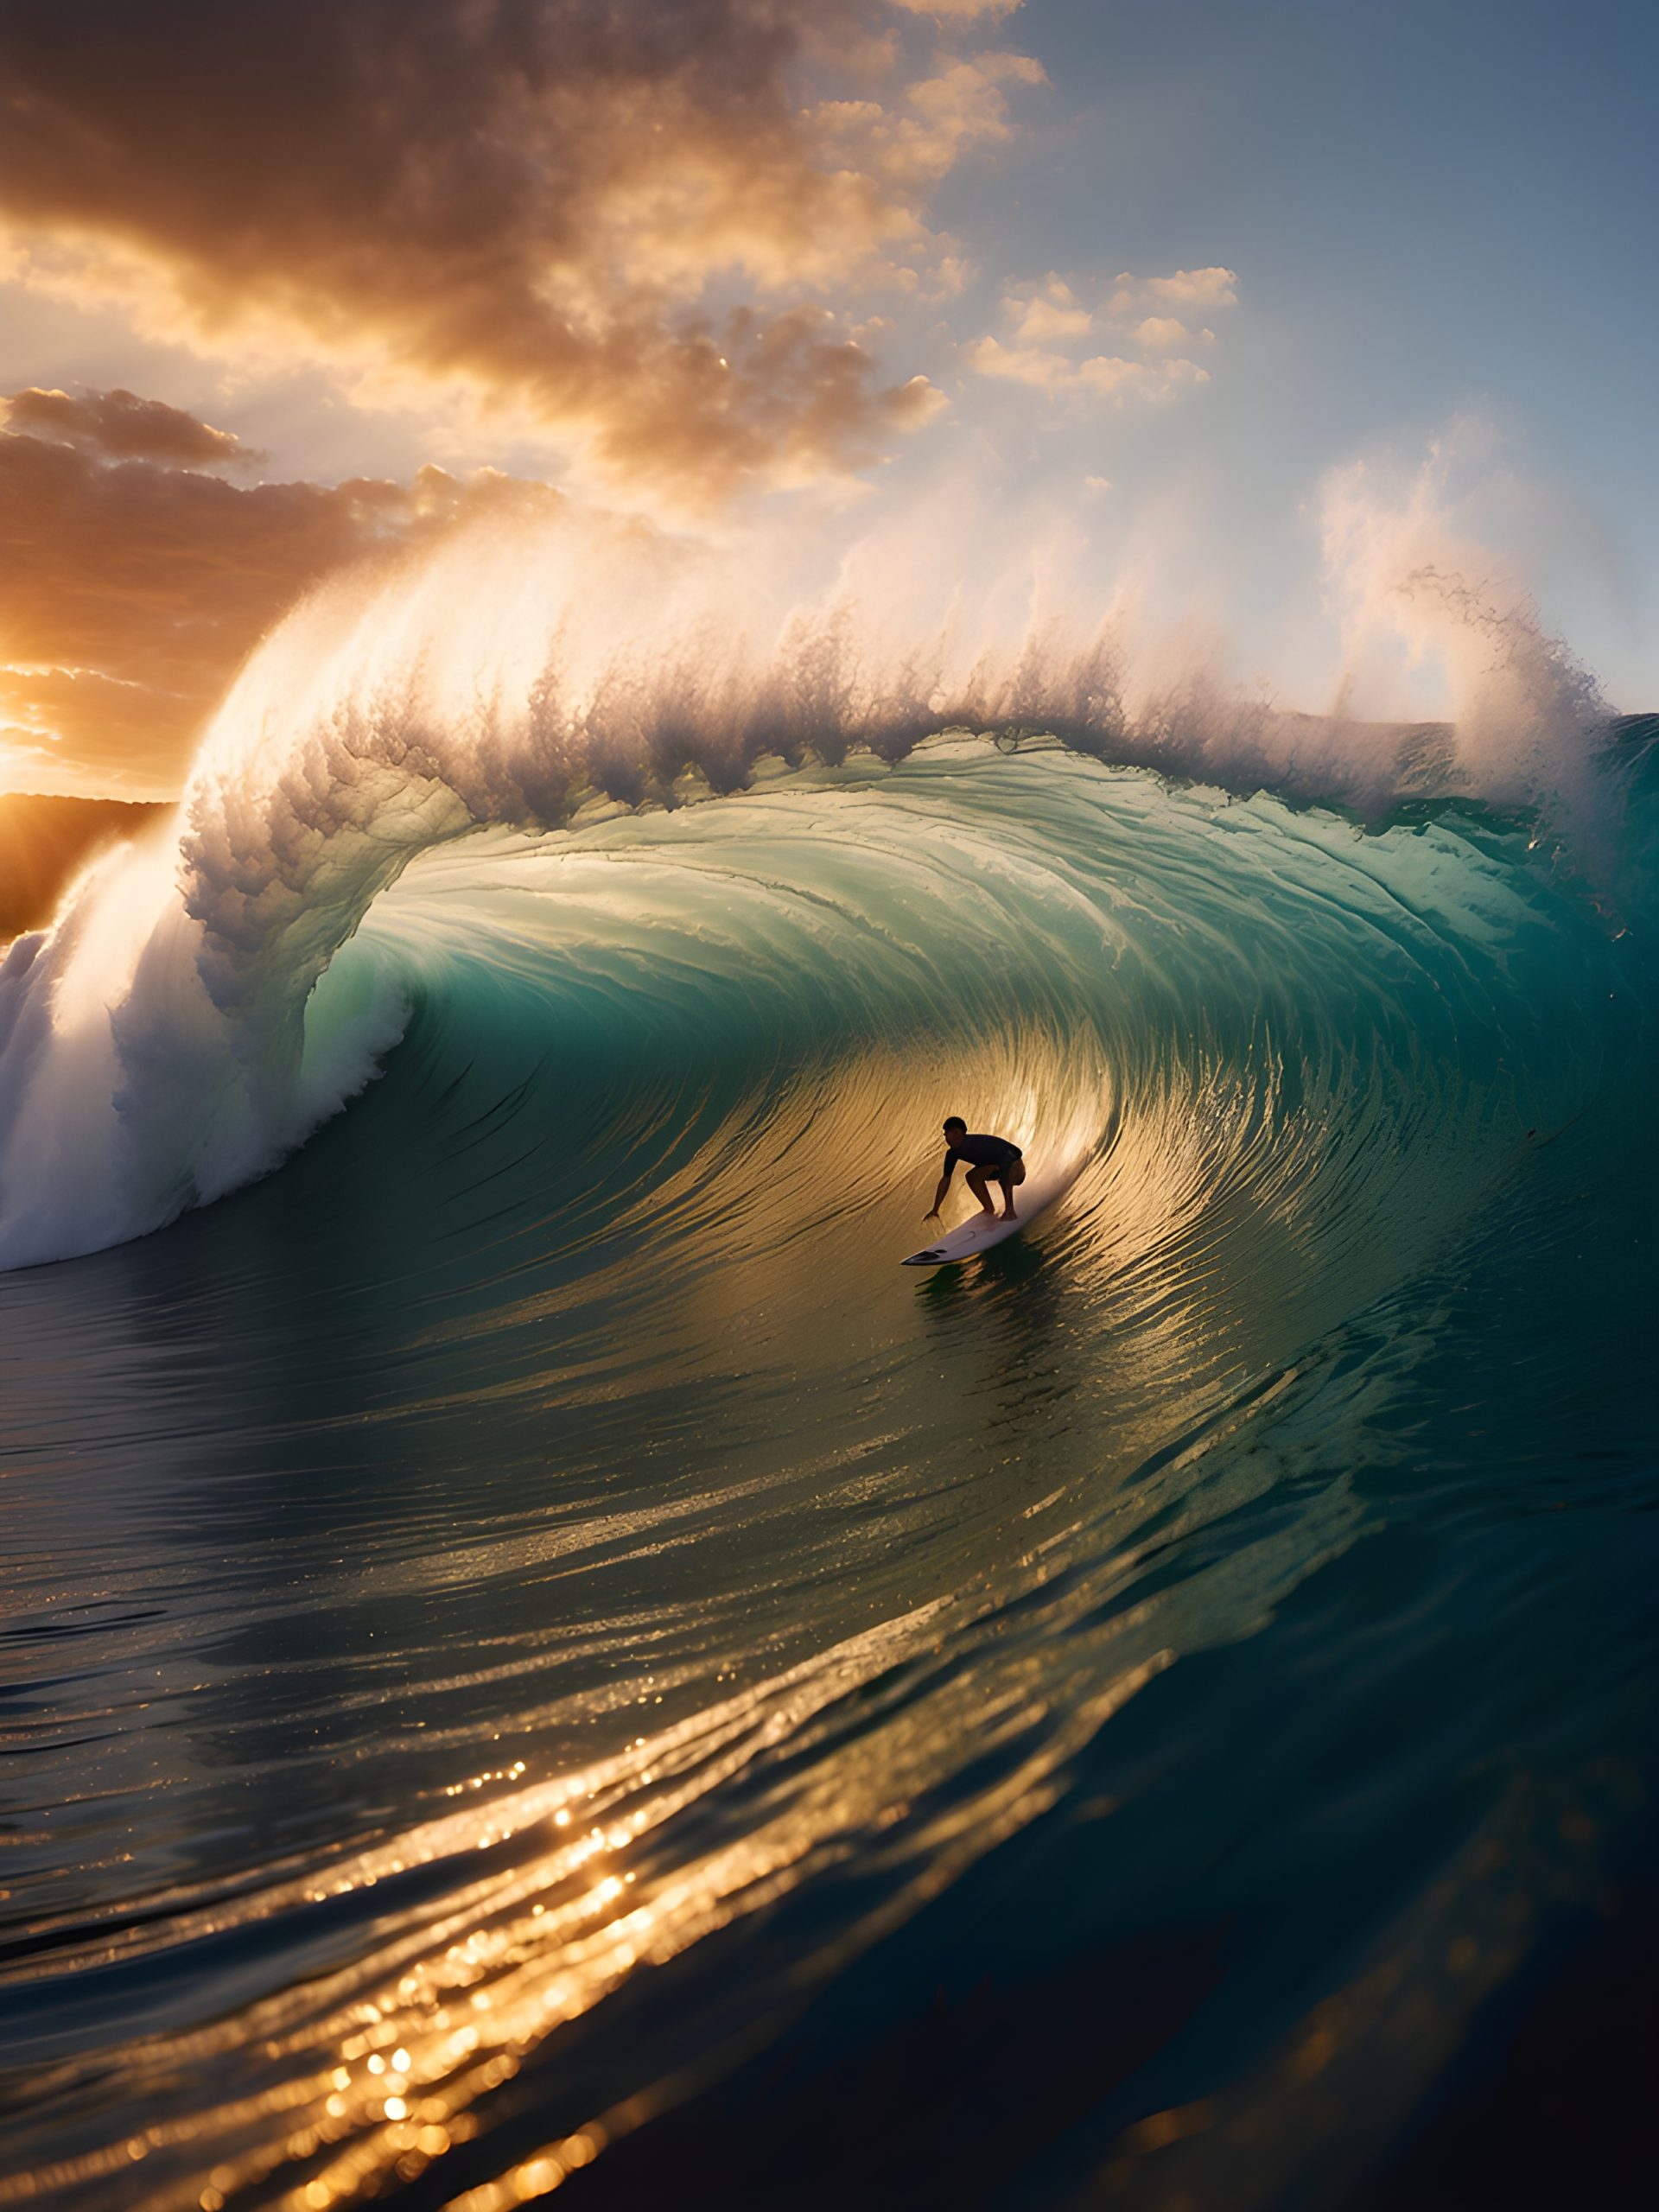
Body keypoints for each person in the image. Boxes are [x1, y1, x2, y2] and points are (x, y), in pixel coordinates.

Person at [926, 1117, 1026, 1224]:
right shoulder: (953, 1153)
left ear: (957, 1133)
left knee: (1002, 1170)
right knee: (971, 1177)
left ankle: (1010, 1212)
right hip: (997, 1167)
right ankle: (989, 1210)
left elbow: (1011, 1156)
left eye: (947, 1134)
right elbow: (946, 1179)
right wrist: (935, 1209)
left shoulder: (976, 1144)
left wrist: (1009, 1209)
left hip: (1015, 1166)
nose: (945, 1137)